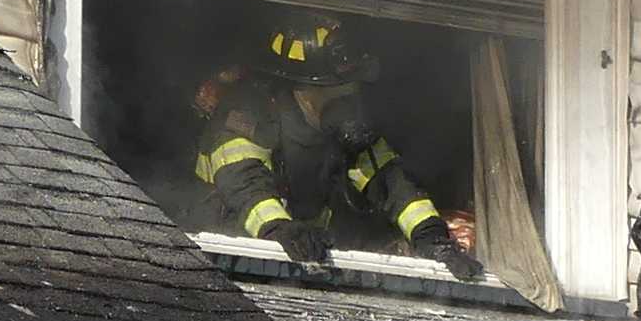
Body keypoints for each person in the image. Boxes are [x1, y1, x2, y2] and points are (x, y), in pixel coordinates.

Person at [192, 17, 477, 277]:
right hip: (221, 250)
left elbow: (392, 184)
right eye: (334, 90)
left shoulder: (341, 129)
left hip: (295, 253)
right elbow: (244, 185)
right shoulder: (246, 114)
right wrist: (279, 228)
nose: (346, 98)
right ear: (300, 89)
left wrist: (432, 237)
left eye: (350, 88)